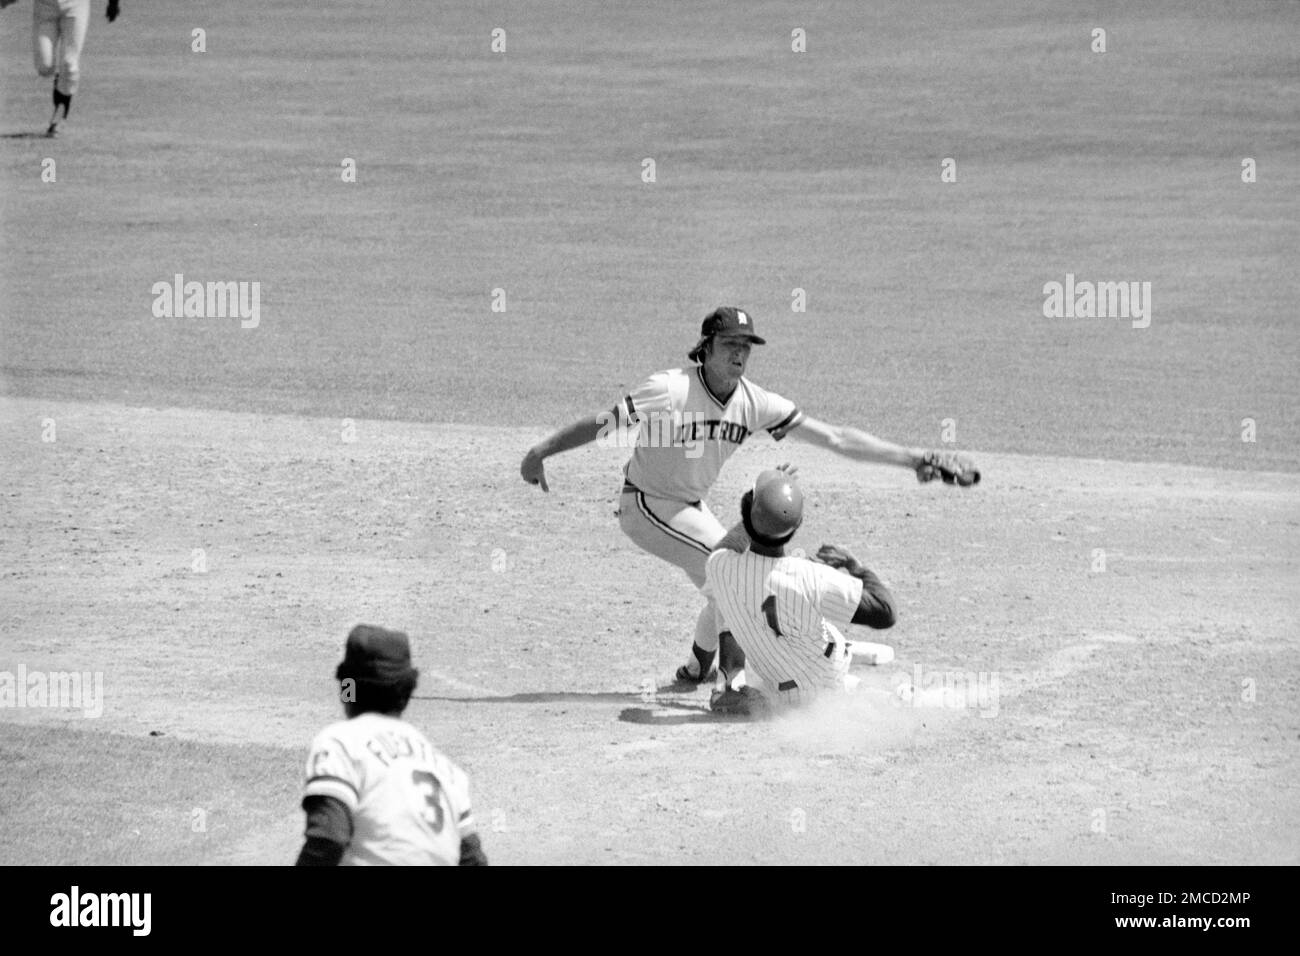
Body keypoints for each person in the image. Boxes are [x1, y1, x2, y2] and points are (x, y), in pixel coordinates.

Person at [519, 306, 977, 709]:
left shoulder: (754, 402)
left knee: (731, 577)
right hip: (646, 505)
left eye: (746, 346)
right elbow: (604, 423)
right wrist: (540, 452)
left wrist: (912, 458)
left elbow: (835, 438)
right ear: (706, 347)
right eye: (729, 344)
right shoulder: (669, 390)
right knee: (734, 570)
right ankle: (730, 685)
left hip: (689, 507)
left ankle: (698, 667)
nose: (739, 354)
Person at [703, 468, 896, 716]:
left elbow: (732, 542)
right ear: (798, 525)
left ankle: (728, 681)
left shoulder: (718, 565)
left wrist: (765, 504)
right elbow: (885, 611)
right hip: (828, 672)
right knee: (815, 633)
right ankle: (865, 686)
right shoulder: (810, 576)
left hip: (779, 689)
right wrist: (854, 565)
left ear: (746, 512)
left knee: (735, 605)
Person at [297, 624, 488, 866]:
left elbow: (329, 838)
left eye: (346, 686)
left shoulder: (340, 743)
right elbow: (473, 858)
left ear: (347, 688)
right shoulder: (446, 771)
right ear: (407, 693)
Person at [5, 0, 122, 137]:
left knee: (70, 65)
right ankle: (62, 82)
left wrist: (113, 3)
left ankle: (59, 116)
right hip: (45, 7)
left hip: (76, 5)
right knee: (44, 66)